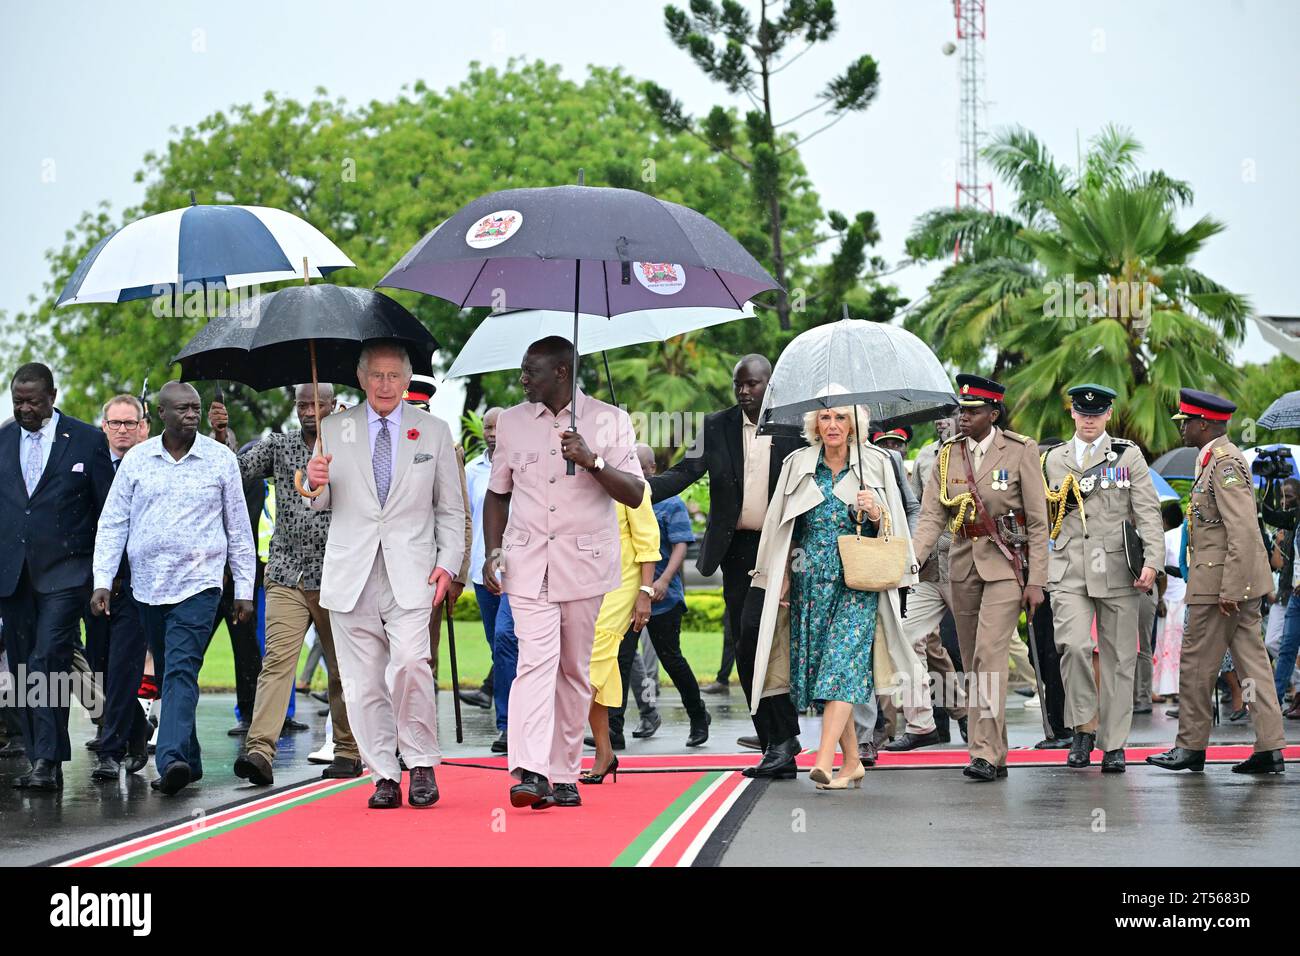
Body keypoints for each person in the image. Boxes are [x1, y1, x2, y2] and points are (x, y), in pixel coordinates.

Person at [482, 336, 644, 811]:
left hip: (586, 566)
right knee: (535, 661)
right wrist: (493, 551)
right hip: (527, 562)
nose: (522, 378)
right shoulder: (511, 422)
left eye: (531, 371)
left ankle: (563, 771)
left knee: (573, 671)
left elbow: (634, 493)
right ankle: (531, 770)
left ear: (561, 373)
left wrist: (592, 460)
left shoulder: (611, 421)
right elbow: (497, 493)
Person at [305, 341, 466, 809]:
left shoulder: (432, 431)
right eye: (376, 375)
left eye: (394, 376)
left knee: (413, 665)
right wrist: (312, 481)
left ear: (407, 379)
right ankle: (384, 774)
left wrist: (448, 564)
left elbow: (450, 509)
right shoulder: (333, 429)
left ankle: (420, 765)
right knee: (361, 682)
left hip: (412, 572)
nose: (385, 385)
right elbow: (321, 500)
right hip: (351, 572)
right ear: (360, 378)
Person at [749, 399, 926, 789]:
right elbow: (782, 524)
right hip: (810, 578)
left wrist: (875, 511)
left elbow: (894, 524)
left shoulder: (876, 462)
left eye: (841, 418)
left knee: (841, 666)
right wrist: (780, 577)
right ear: (816, 424)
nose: (832, 424)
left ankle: (823, 758)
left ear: (853, 425)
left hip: (857, 578)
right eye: (825, 417)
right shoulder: (798, 462)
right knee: (821, 672)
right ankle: (851, 762)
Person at [92, 381, 255, 796]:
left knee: (182, 669)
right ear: (160, 415)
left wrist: (244, 590)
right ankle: (191, 759)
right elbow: (113, 523)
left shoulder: (220, 460)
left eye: (195, 408)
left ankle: (170, 760)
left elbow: (238, 530)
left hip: (200, 585)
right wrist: (103, 580)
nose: (191, 414)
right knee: (170, 674)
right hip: (147, 587)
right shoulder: (138, 461)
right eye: (182, 408)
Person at [649, 355, 806, 779]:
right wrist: (634, 486)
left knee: (764, 639)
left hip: (783, 550)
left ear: (770, 384)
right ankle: (777, 743)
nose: (744, 391)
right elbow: (682, 473)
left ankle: (784, 736)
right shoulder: (715, 426)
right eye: (739, 384)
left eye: (752, 384)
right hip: (736, 551)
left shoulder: (796, 428)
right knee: (743, 643)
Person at [208, 383, 365, 785]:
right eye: (302, 404)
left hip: (338, 572)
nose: (310, 411)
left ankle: (348, 749)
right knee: (277, 663)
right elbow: (232, 469)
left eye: (318, 404)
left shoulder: (352, 445)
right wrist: (222, 437)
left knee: (342, 667)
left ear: (335, 405)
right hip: (286, 574)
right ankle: (260, 750)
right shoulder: (279, 446)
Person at [910, 374, 1050, 782]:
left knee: (990, 655)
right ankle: (996, 752)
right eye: (961, 410)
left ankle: (983, 753)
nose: (963, 417)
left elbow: (1039, 522)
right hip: (963, 563)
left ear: (993, 413)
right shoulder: (947, 456)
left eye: (973, 411)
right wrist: (913, 562)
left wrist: (1037, 579)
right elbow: (932, 516)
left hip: (1006, 565)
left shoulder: (1021, 451)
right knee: (973, 661)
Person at [1148, 389, 1288, 775]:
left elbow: (1242, 531)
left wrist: (1230, 588)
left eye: (1186, 423)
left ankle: (1190, 747)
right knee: (1254, 668)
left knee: (1195, 665)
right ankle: (1270, 746)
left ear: (1204, 424)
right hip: (1228, 583)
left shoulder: (1223, 464)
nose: (1182, 429)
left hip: (1220, 587)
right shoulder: (1212, 461)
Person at [1040, 384, 1164, 773]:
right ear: (1073, 414)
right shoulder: (1052, 460)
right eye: (1082, 412)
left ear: (1108, 414)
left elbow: (1148, 511)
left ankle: (1113, 744)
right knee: (1074, 647)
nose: (1089, 418)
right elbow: (1040, 517)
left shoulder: (1128, 456)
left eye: (1097, 413)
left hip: (1117, 569)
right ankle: (1082, 729)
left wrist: (1154, 561)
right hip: (1069, 569)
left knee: (1119, 659)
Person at [2, 363, 114, 791]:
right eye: (18, 401)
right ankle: (43, 754)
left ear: (52, 395)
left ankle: (48, 760)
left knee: (48, 658)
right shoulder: (3, 440)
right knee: (23, 667)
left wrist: (107, 573)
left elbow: (107, 512)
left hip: (68, 573)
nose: (25, 408)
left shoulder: (86, 440)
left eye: (32, 400)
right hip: (13, 575)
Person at [604, 444, 710, 763]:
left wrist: (662, 582)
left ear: (651, 469)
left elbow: (680, 546)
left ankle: (698, 716)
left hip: (664, 597)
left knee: (671, 659)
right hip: (628, 596)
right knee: (620, 658)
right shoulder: (622, 498)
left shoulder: (670, 501)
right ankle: (613, 729)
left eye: (637, 464)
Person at [581, 454, 660, 785]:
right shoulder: (578, 478)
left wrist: (645, 592)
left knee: (591, 660)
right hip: (582, 580)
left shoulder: (631, 482)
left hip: (623, 582)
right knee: (592, 666)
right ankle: (605, 752)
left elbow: (647, 540)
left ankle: (559, 749)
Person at [88, 394, 152, 780]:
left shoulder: (156, 465)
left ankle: (110, 751)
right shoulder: (90, 466)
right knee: (98, 664)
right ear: (104, 427)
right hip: (97, 581)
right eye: (116, 424)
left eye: (131, 423)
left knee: (124, 667)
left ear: (144, 426)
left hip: (139, 581)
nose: (123, 430)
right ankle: (137, 728)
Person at [465, 406, 513, 752]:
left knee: (508, 639)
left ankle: (509, 724)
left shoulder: (522, 463)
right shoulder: (472, 470)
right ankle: (510, 719)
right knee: (499, 646)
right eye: (487, 426)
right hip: (484, 572)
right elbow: (464, 518)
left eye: (497, 425)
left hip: (520, 569)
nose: (492, 431)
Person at [1152, 500, 1185, 706]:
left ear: (1164, 520)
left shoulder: (1166, 537)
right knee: (1178, 645)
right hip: (1181, 596)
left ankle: (1166, 688)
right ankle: (1177, 688)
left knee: (1165, 645)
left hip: (1171, 596)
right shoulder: (1186, 535)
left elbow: (1160, 570)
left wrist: (1160, 599)